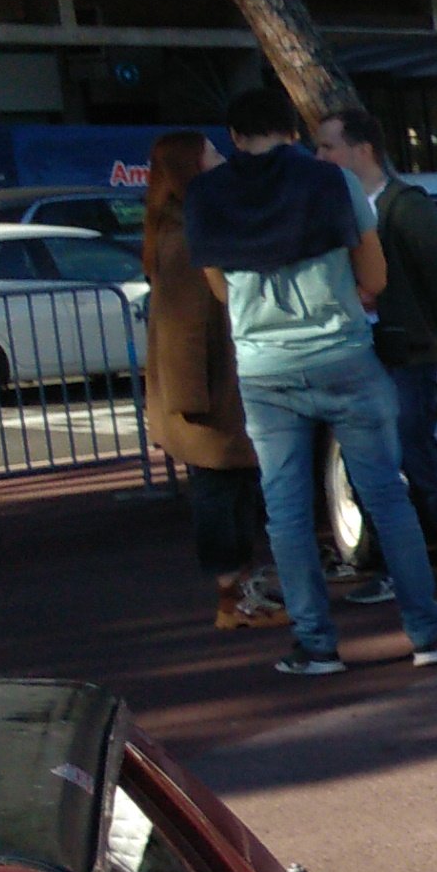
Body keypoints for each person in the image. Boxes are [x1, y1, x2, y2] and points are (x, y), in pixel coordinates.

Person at [184, 86, 437, 676]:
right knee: (386, 494)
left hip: (264, 367)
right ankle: (427, 636)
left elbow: (217, 287)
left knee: (285, 511)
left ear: (234, 138)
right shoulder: (328, 183)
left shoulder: (207, 193)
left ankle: (315, 644)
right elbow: (375, 272)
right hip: (342, 354)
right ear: (289, 129)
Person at [313, 106, 437, 608]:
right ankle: (394, 568)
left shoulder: (403, 206)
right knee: (364, 463)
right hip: (354, 352)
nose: (319, 156)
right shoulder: (335, 208)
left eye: (329, 146)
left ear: (362, 149)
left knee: (417, 457)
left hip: (404, 354)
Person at [142, 132, 285, 631]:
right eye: (212, 153)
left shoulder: (183, 226)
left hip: (216, 388)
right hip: (209, 395)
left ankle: (240, 590)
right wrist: (192, 403)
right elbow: (184, 326)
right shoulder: (184, 235)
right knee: (222, 494)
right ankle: (232, 597)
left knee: (233, 491)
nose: (223, 159)